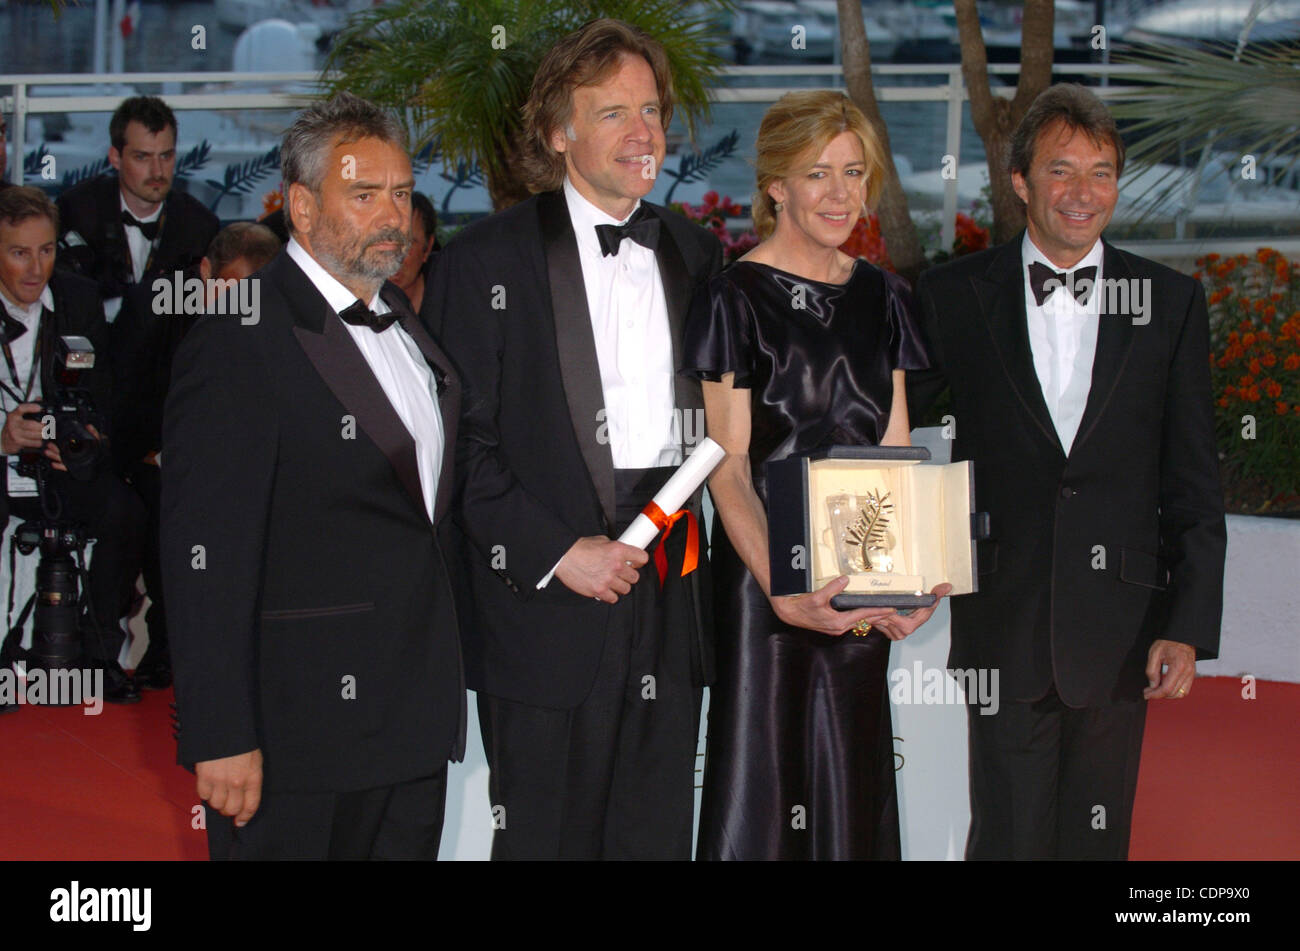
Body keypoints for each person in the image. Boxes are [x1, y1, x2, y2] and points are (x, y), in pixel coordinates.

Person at [907, 84, 1226, 860]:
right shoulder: (952, 296)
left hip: (1122, 630)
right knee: (1006, 839)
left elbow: (1193, 479)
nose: (1083, 193)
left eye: (1102, 172)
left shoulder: (1171, 302)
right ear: (1019, 182)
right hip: (1003, 620)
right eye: (1061, 170)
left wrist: (1187, 626)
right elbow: (885, 425)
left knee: (1097, 842)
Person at [430, 18, 722, 860]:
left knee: (656, 832)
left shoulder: (700, 256)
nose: (644, 134)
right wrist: (562, 551)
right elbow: (461, 449)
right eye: (612, 114)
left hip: (671, 595)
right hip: (547, 602)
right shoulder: (483, 262)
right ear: (557, 133)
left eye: (652, 111)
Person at [161, 92, 465, 860]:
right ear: (301, 205)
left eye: (400, 193)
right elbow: (204, 552)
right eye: (364, 194)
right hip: (293, 737)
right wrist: (220, 731)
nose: (391, 214)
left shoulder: (406, 320)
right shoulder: (241, 336)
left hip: (412, 723)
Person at [683, 91, 948, 860]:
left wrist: (908, 584)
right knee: (763, 786)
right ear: (776, 186)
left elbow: (895, 457)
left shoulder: (884, 297)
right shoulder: (734, 298)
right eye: (818, 174)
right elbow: (726, 468)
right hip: (762, 587)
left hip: (860, 583)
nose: (841, 195)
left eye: (855, 173)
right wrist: (782, 588)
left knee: (851, 781)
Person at [111, 221, 282, 690]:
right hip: (152, 460)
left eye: (257, 293)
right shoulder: (154, 309)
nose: (244, 306)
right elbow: (122, 406)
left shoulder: (285, 321)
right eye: (232, 290)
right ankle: (170, 645)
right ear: (206, 273)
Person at [0, 186, 147, 704]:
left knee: (124, 512)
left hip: (63, 463)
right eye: (19, 252)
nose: (35, 267)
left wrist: (90, 438)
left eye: (46, 250)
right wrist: (1, 438)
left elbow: (105, 395)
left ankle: (99, 657)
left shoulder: (78, 298)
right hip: (1, 463)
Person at [55, 96, 218, 324]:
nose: (157, 171)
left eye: (166, 156)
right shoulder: (78, 210)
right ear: (115, 157)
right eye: (142, 157)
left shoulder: (199, 224)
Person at [390, 191, 438, 320]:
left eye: (407, 243)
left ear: (427, 248)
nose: (395, 255)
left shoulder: (452, 302)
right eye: (386, 240)